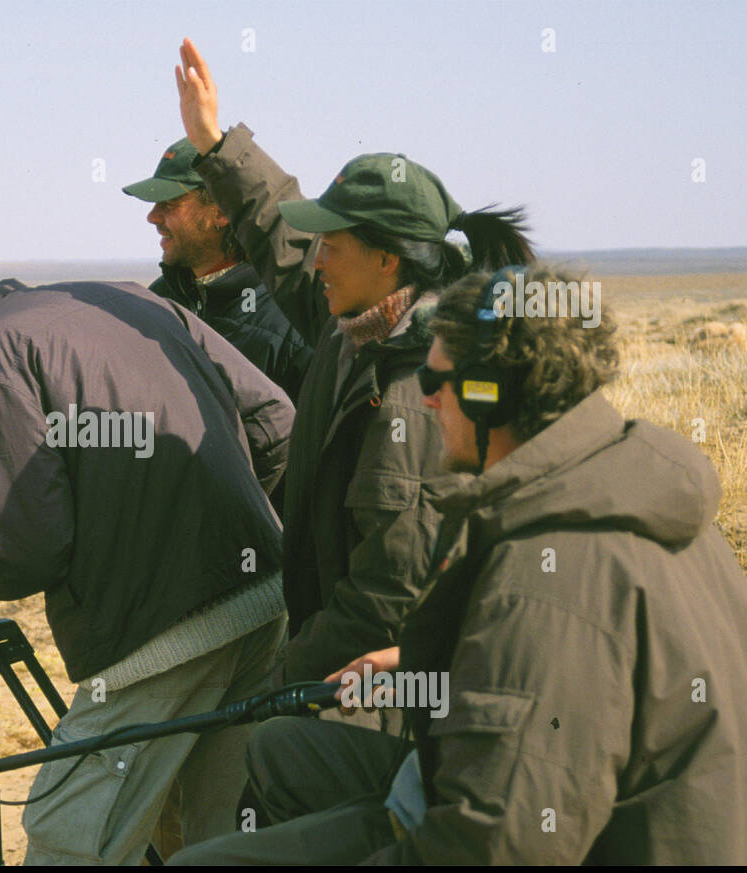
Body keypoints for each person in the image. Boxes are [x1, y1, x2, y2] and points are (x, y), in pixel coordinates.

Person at [172, 265, 747, 864]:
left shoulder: (547, 580)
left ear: (488, 396)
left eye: (434, 377)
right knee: (283, 750)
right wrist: (420, 665)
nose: (422, 396)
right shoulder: (621, 483)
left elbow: (501, 845)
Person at [0, 244, 295, 865]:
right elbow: (274, 418)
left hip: (155, 633)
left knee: (71, 835)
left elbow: (27, 551)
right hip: (262, 601)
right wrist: (204, 513)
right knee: (224, 834)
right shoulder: (132, 299)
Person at [174, 38, 534, 690]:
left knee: (274, 761)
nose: (317, 261)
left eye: (332, 246)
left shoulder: (417, 392)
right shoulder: (357, 328)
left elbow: (389, 598)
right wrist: (216, 145)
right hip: (337, 659)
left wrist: (287, 681)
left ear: (387, 257)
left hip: (388, 693)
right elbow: (282, 238)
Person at [123, 137, 312, 404]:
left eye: (169, 204)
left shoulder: (290, 322)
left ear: (222, 211)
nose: (152, 217)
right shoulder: (157, 302)